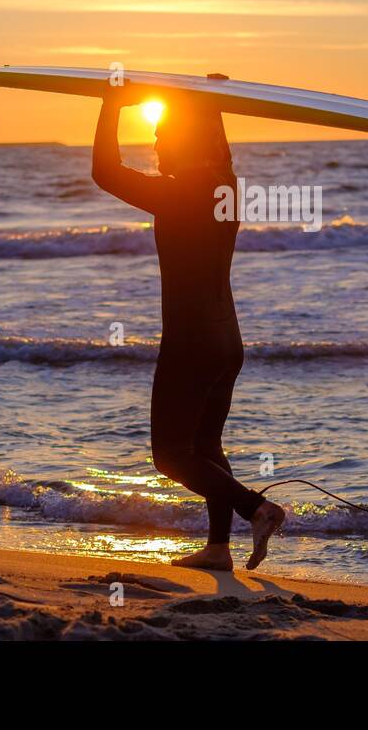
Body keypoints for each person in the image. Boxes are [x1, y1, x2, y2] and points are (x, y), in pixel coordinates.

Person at [91, 92, 286, 571]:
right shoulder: (227, 186)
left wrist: (109, 104)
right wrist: (211, 100)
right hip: (226, 339)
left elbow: (104, 171)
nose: (156, 143)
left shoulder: (179, 191)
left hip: (191, 342)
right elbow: (221, 148)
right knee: (206, 447)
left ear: (183, 140)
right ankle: (219, 549)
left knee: (171, 458)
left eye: (162, 134)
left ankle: (256, 508)